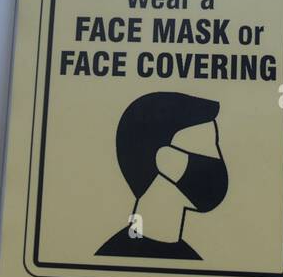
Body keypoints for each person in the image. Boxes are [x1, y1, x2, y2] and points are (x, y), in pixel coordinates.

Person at [96, 91, 228, 260]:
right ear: (166, 161)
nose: (217, 159)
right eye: (208, 146)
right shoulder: (114, 257)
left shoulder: (190, 258)